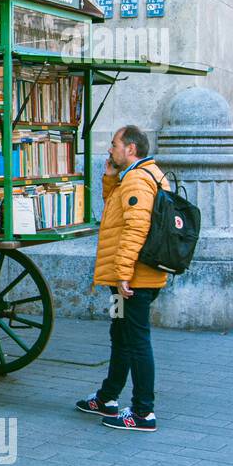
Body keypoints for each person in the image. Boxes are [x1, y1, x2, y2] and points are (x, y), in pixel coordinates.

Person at [75, 125, 171, 432]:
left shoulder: (138, 180)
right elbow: (116, 212)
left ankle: (144, 413)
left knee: (137, 340)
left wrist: (124, 274)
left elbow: (135, 228)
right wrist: (109, 178)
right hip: (129, 280)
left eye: (114, 144)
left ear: (130, 149)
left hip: (133, 282)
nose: (109, 148)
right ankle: (107, 397)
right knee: (121, 334)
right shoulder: (141, 175)